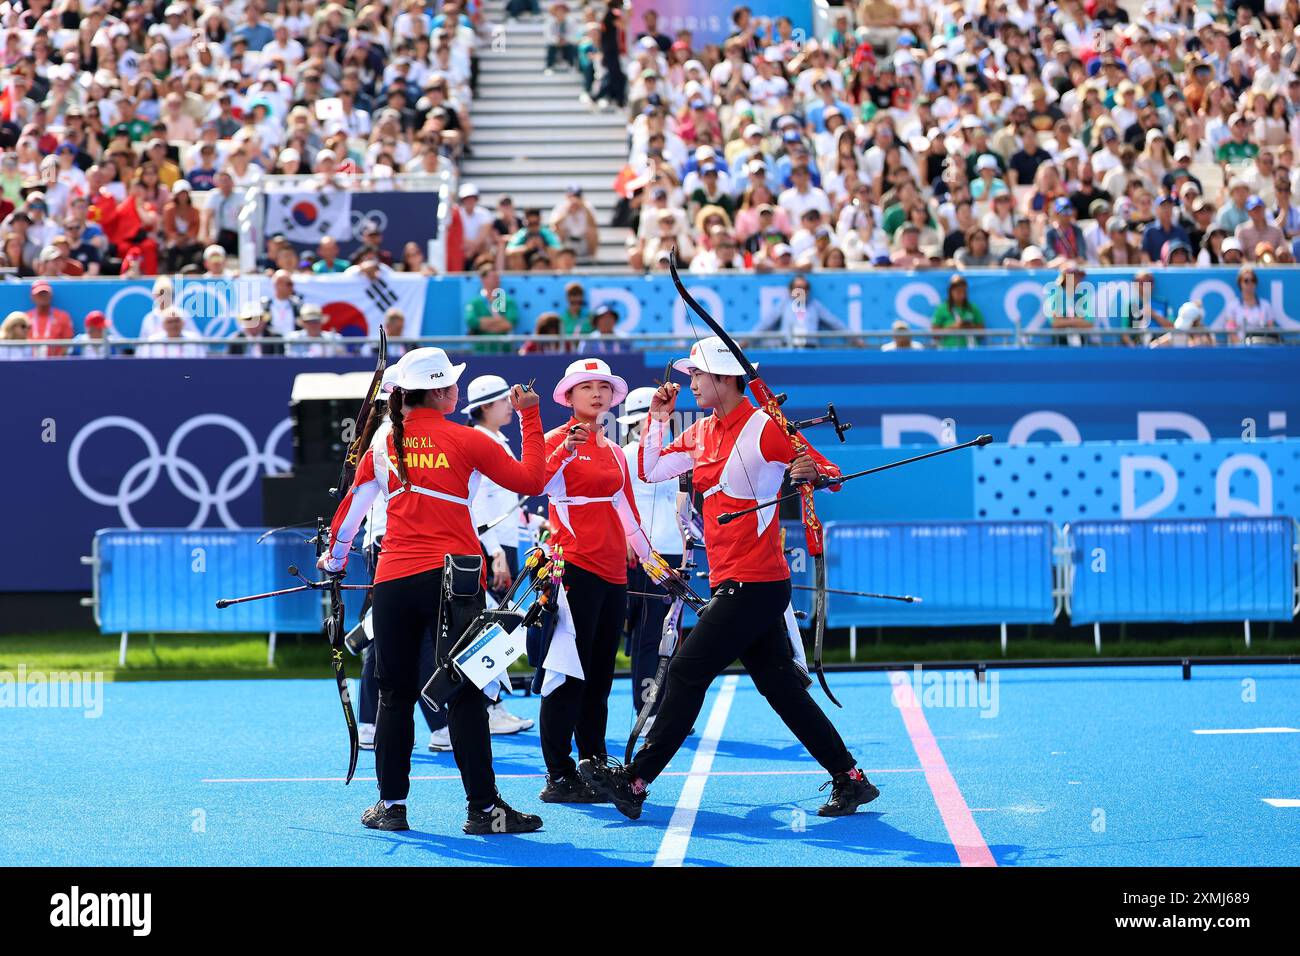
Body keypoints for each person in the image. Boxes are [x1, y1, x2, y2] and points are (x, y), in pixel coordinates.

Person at [578, 336, 880, 820]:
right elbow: (651, 469)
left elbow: (830, 471)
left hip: (755, 584)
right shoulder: (700, 432)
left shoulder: (764, 427)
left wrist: (808, 470)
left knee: (685, 670)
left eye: (697, 375)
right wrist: (657, 420)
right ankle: (850, 778)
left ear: (724, 378)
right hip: (732, 580)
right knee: (781, 688)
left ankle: (636, 781)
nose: (690, 383)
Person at [318, 347, 548, 835]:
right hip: (455, 580)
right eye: (453, 385)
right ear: (441, 390)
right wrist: (530, 416)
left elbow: (351, 513)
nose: (458, 391)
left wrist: (334, 561)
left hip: (395, 582)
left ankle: (391, 807)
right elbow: (532, 479)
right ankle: (485, 810)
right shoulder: (464, 438)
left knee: (394, 695)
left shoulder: (383, 440)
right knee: (463, 696)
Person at [535, 358, 652, 804]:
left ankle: (593, 758)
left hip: (612, 574)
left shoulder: (615, 450)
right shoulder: (553, 440)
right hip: (573, 570)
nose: (597, 394)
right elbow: (535, 481)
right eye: (587, 387)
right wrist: (565, 449)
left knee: (601, 673)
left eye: (604, 386)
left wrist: (652, 562)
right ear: (568, 396)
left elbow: (627, 512)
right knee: (568, 673)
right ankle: (558, 773)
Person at [461, 373, 539, 735]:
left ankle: (495, 706)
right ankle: (487, 707)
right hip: (487, 546)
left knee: (498, 627)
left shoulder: (495, 440)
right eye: (503, 401)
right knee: (491, 629)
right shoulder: (478, 441)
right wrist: (494, 553)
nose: (510, 405)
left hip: (501, 545)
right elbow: (473, 506)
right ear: (485, 407)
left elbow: (507, 501)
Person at [618, 386, 687, 734]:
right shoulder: (630, 453)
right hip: (648, 551)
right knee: (651, 634)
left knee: (667, 633)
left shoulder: (668, 452)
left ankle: (662, 709)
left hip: (668, 548)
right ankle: (648, 711)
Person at [1222, 266, 1280, 344]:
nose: (1250, 283)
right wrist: (1242, 347)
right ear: (1240, 283)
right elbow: (1231, 331)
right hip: (1241, 349)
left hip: (1263, 346)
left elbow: (1271, 328)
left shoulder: (1265, 305)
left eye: (1253, 280)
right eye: (1246, 280)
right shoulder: (1233, 306)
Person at [930, 274, 985, 348]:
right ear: (951, 291)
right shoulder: (941, 309)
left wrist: (969, 327)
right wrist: (954, 327)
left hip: (971, 352)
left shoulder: (972, 308)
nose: (961, 294)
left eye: (963, 291)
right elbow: (934, 334)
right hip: (948, 352)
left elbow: (982, 333)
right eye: (958, 291)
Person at [25, 280, 73, 357]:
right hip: (28, 363)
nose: (43, 296)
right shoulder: (25, 317)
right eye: (39, 294)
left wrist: (56, 361)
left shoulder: (63, 316)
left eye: (45, 293)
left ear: (51, 295)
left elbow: (67, 343)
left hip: (56, 364)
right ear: (32, 297)